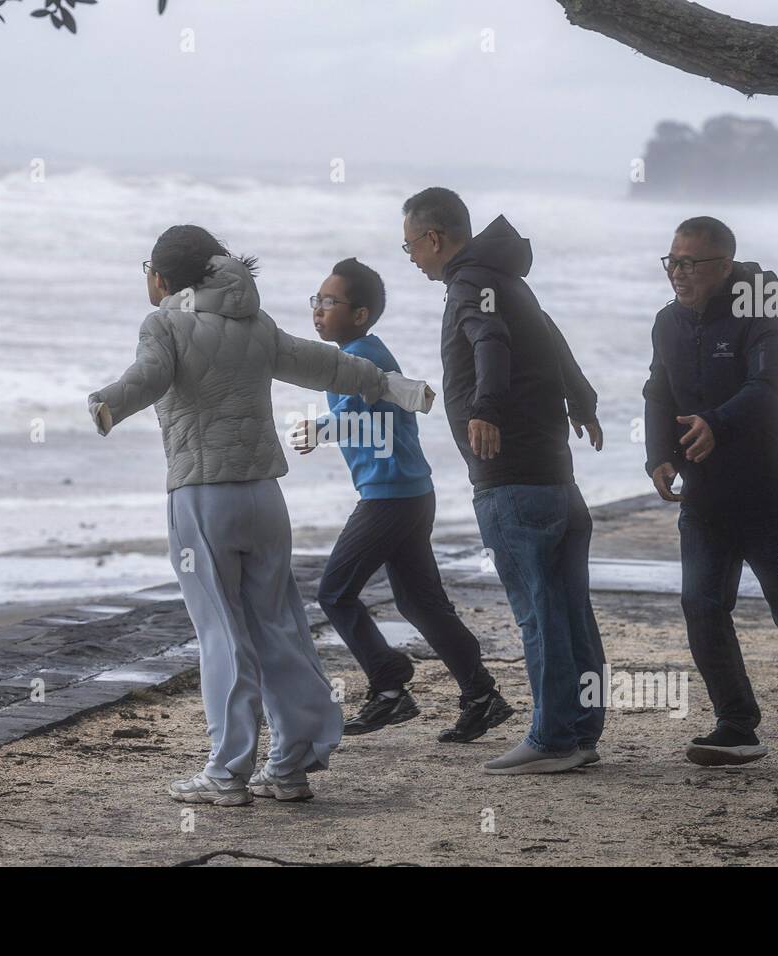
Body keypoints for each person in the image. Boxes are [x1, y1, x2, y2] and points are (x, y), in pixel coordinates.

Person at [88, 226, 434, 806]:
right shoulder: (256, 324)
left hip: (204, 497)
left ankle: (226, 775)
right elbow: (324, 365)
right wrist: (392, 386)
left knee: (222, 633)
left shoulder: (164, 323)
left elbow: (146, 377)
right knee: (278, 627)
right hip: (264, 499)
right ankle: (290, 765)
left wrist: (106, 403)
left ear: (163, 277)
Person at [401, 187, 607, 775]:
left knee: (539, 612)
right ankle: (582, 732)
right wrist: (583, 402)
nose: (412, 256)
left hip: (512, 478)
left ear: (434, 238)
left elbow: (491, 341)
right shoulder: (510, 279)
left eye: (410, 245)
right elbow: (552, 338)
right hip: (556, 477)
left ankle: (551, 739)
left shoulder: (468, 282)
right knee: (571, 609)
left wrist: (484, 408)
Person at [642, 215, 778, 767]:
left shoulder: (764, 314)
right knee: (702, 607)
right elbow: (658, 387)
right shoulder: (667, 322)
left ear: (724, 265)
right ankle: (736, 725)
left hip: (769, 494)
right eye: (672, 261)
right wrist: (658, 454)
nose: (677, 273)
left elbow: (771, 387)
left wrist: (716, 423)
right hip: (705, 498)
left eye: (690, 263)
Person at [289, 257, 514, 742]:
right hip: (409, 494)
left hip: (391, 499)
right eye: (316, 301)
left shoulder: (365, 355)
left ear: (361, 313)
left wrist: (318, 429)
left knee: (335, 592)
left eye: (330, 302)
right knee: (422, 604)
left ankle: (390, 686)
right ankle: (482, 696)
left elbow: (353, 408)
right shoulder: (354, 352)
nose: (318, 310)